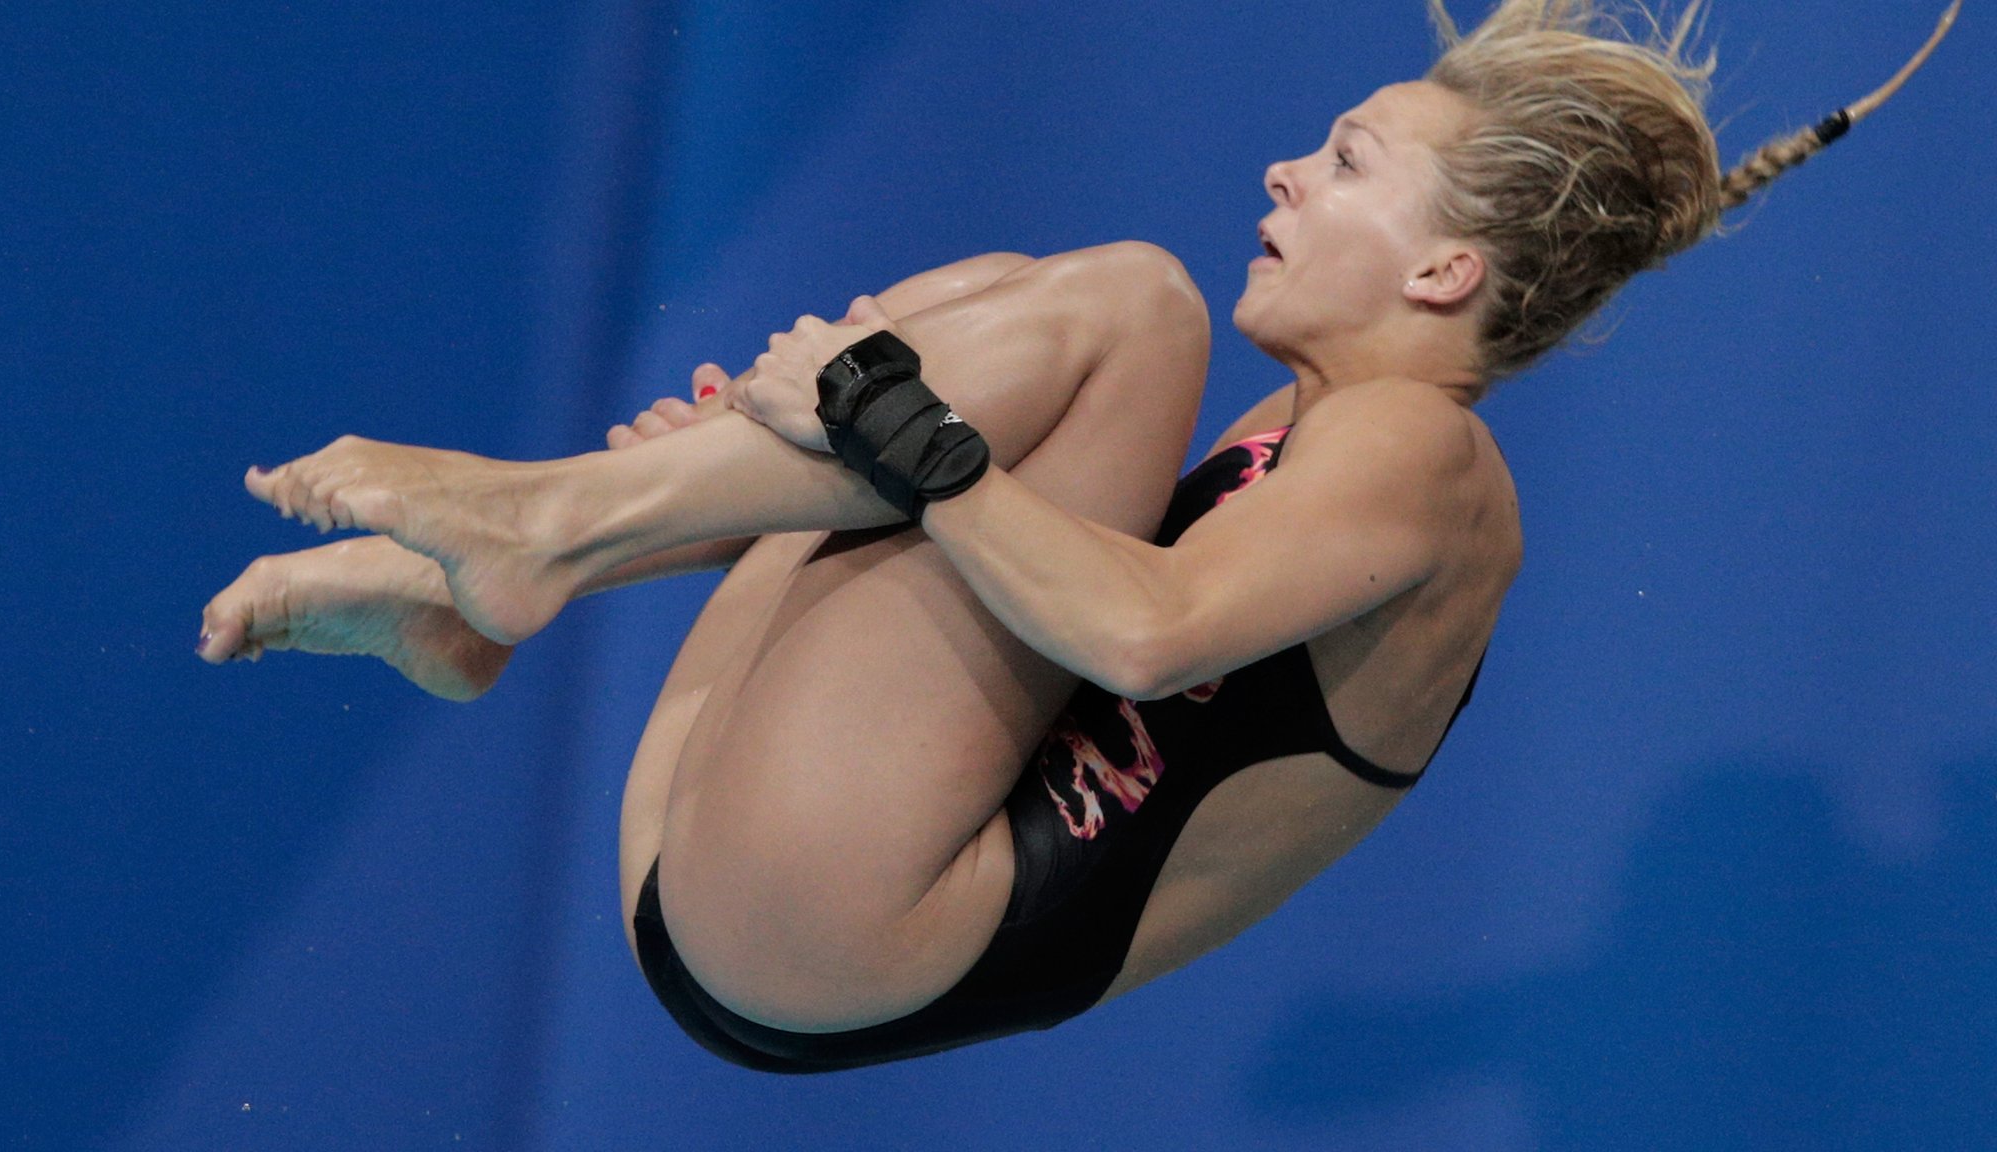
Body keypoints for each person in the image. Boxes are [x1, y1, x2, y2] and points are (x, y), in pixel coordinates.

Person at [199, 0, 1959, 1071]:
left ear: (1444, 271)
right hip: (761, 898)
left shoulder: (1427, 461)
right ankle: (489, 589)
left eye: (1349, 162)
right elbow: (1002, 566)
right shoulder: (1307, 437)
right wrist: (805, 462)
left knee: (1123, 309)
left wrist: (886, 428)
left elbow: (1139, 635)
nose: (1286, 172)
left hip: (843, 924)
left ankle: (545, 531)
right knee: (1004, 312)